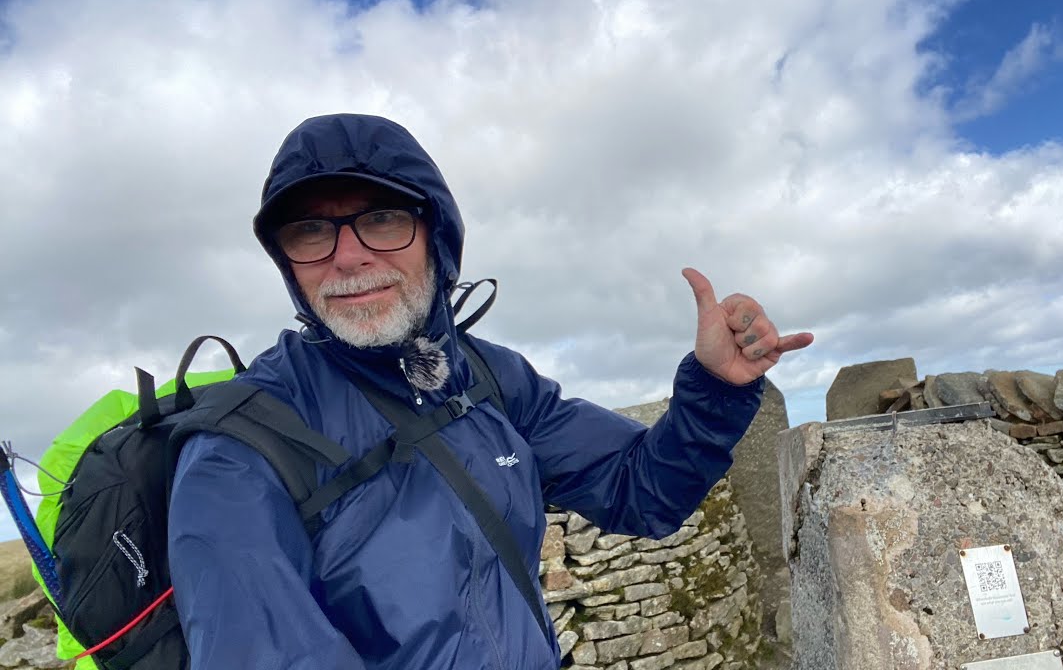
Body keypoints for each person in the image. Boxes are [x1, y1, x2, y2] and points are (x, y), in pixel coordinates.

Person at [167, 113, 813, 670]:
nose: (348, 256)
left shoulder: (489, 378)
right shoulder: (239, 454)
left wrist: (713, 391)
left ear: (438, 234)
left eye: (383, 219)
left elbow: (639, 491)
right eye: (310, 230)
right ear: (286, 261)